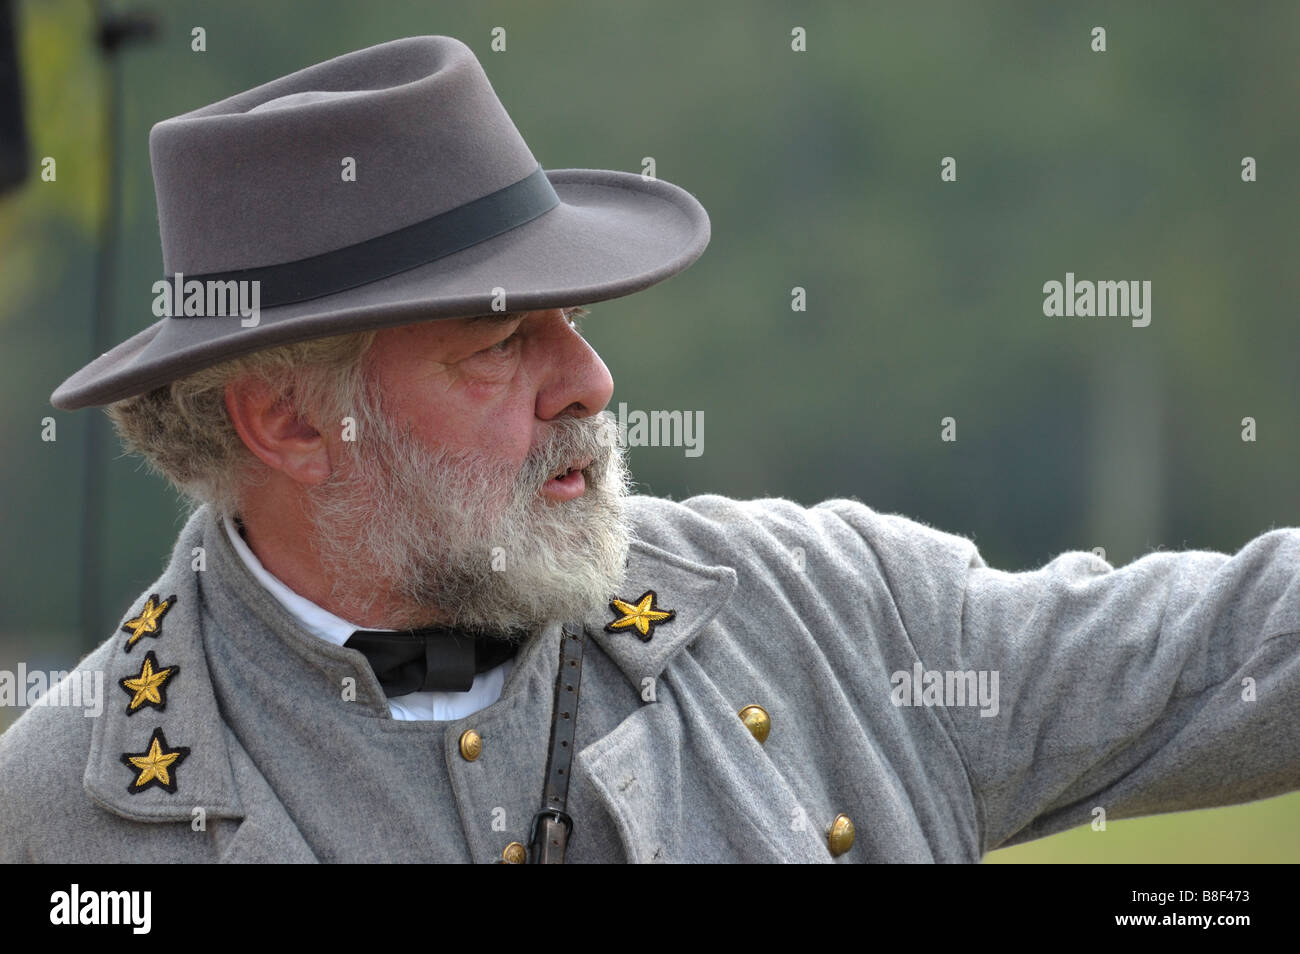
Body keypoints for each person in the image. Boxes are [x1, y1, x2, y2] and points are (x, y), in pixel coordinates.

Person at [2, 35, 1298, 864]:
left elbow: (1243, 649)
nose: (591, 379)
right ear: (286, 421)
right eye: (501, 343)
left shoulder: (831, 611)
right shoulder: (57, 816)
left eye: (576, 318)